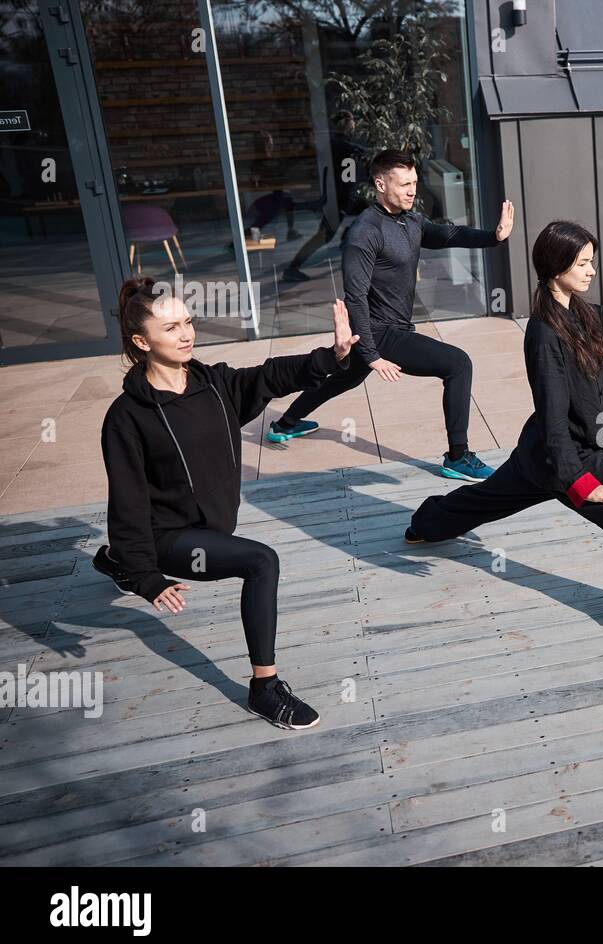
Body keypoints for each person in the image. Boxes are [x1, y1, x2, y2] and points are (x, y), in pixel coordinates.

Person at [405, 220, 603, 639]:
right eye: (584, 263)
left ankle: (426, 523)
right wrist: (580, 483)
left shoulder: (582, 314)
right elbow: (553, 415)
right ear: (557, 267)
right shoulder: (544, 333)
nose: (592, 270)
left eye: (592, 262)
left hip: (543, 452)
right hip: (564, 453)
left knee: (487, 499)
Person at [92, 276, 361, 730]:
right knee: (261, 561)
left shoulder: (214, 384)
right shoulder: (126, 417)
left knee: (220, 550)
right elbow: (129, 503)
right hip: (169, 537)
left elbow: (271, 375)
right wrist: (147, 578)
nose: (186, 334)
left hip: (212, 526)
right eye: (171, 328)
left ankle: (116, 561)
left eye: (189, 322)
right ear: (142, 341)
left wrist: (329, 358)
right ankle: (265, 689)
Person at [266, 149, 514, 483]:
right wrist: (371, 354)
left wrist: (493, 237)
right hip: (380, 331)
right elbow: (355, 297)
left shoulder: (409, 218)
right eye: (404, 185)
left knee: (343, 378)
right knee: (458, 364)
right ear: (380, 184)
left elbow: (446, 234)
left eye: (414, 182)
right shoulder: (365, 233)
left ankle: (285, 424)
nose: (413, 190)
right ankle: (458, 456)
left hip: (387, 328)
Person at [282, 110, 369, 283]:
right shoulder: (340, 145)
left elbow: (348, 174)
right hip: (337, 200)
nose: (354, 126)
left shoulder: (341, 144)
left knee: (370, 212)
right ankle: (292, 268)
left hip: (345, 197)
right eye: (352, 123)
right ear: (347, 125)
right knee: (322, 237)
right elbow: (363, 154)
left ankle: (347, 236)